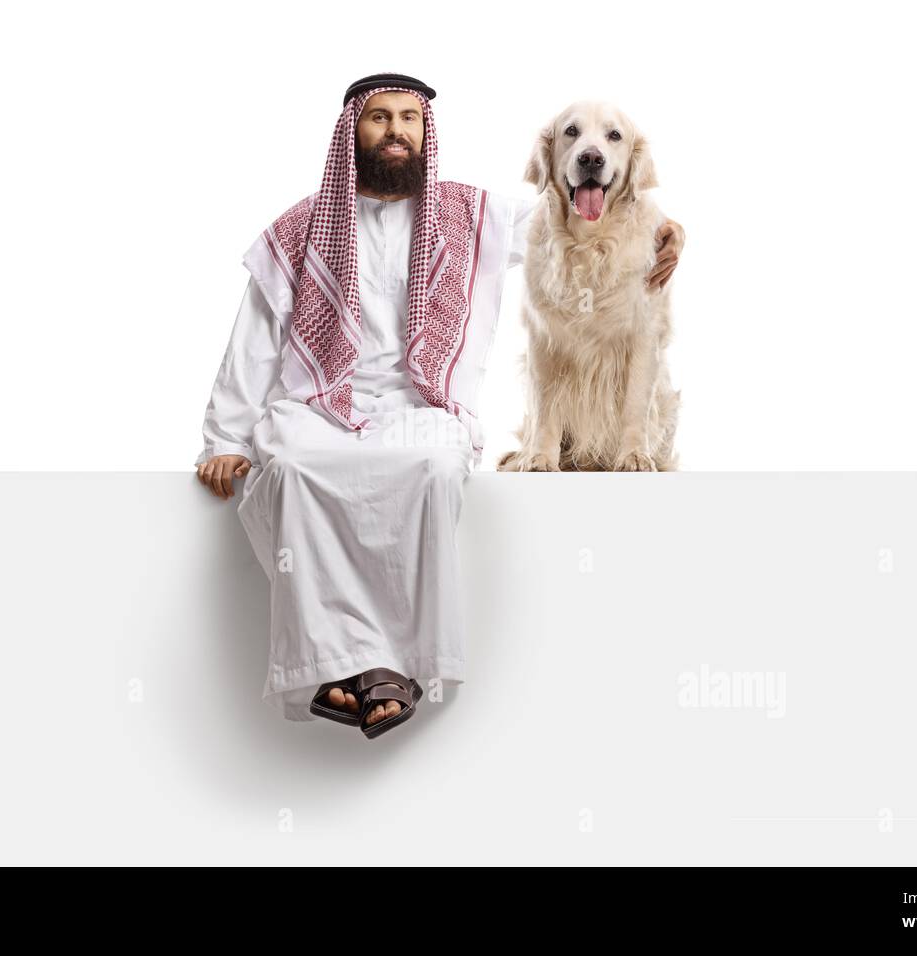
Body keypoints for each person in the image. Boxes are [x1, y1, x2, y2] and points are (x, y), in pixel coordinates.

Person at [194, 72, 684, 737]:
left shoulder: (471, 215)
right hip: (317, 405)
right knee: (286, 465)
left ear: (425, 134)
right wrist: (225, 438)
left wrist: (662, 229)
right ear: (352, 136)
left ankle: (382, 667)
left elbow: (573, 211)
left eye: (408, 119)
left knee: (432, 465)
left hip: (420, 405)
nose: (395, 131)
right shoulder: (302, 227)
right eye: (379, 119)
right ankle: (356, 669)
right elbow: (253, 338)